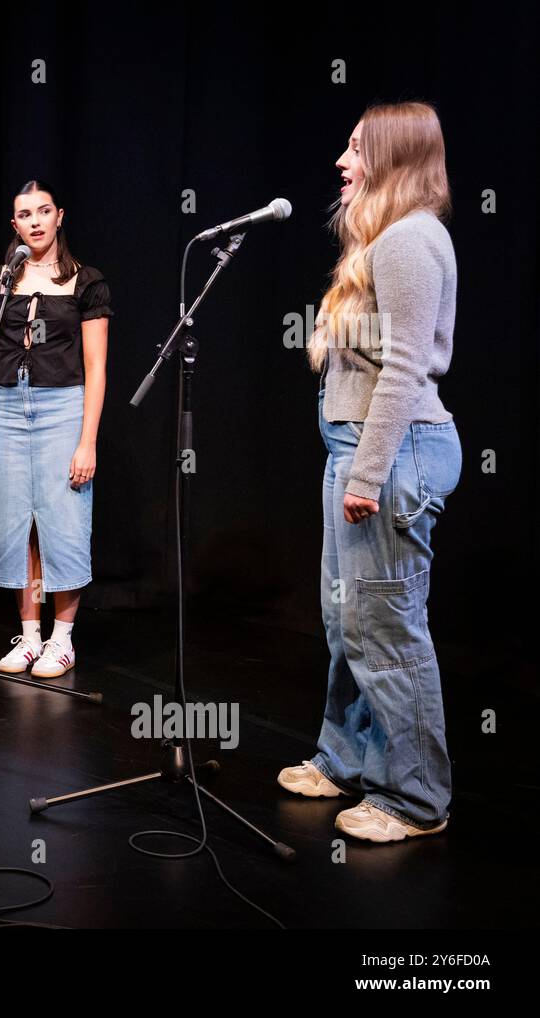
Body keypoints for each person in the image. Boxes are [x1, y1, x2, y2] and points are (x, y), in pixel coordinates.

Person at [277, 102, 461, 843]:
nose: (342, 162)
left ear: (390, 158)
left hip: (393, 454)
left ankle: (415, 800)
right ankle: (345, 757)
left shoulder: (411, 241)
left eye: (356, 149)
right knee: (345, 619)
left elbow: (408, 369)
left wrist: (366, 475)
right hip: (357, 452)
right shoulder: (384, 238)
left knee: (387, 627)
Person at [0, 181, 111, 677]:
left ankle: (62, 639)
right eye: (25, 214)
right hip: (8, 407)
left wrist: (87, 439)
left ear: (59, 216)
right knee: (16, 526)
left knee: (62, 524)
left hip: (62, 408)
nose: (35, 221)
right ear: (15, 225)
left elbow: (96, 367)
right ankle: (29, 637)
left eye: (43, 211)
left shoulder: (86, 282)